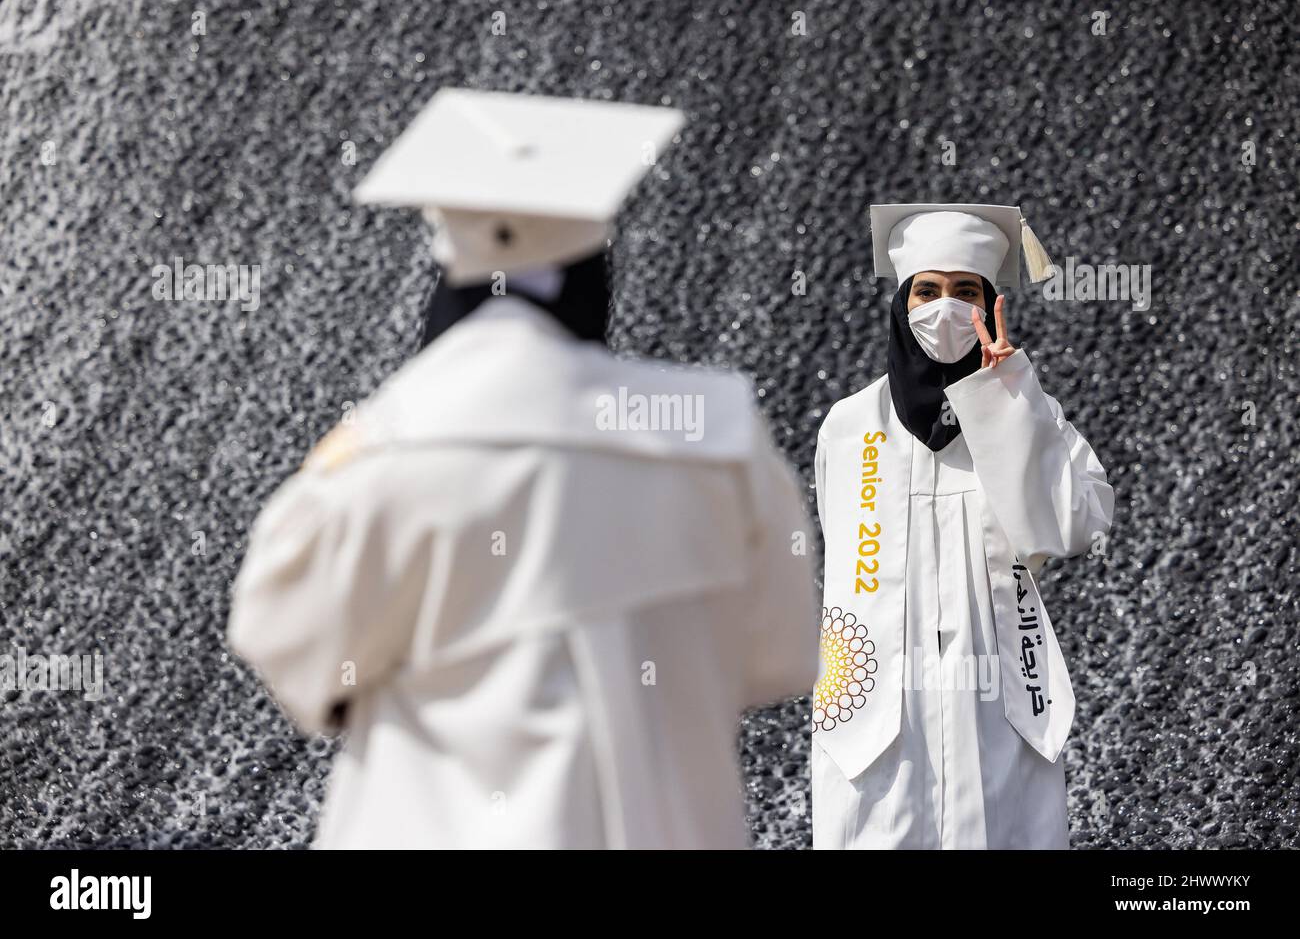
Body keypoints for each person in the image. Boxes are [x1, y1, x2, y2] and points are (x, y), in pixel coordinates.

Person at [226, 89, 819, 849]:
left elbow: (285, 638)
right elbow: (777, 653)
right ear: (592, 271)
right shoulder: (718, 435)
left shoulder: (387, 450)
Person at [810, 203, 1115, 849]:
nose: (944, 309)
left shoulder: (1025, 406)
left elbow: (1070, 527)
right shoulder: (851, 425)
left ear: (991, 303)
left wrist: (1008, 399)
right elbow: (841, 554)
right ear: (901, 299)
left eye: (964, 292)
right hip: (879, 700)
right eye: (927, 290)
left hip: (993, 688)